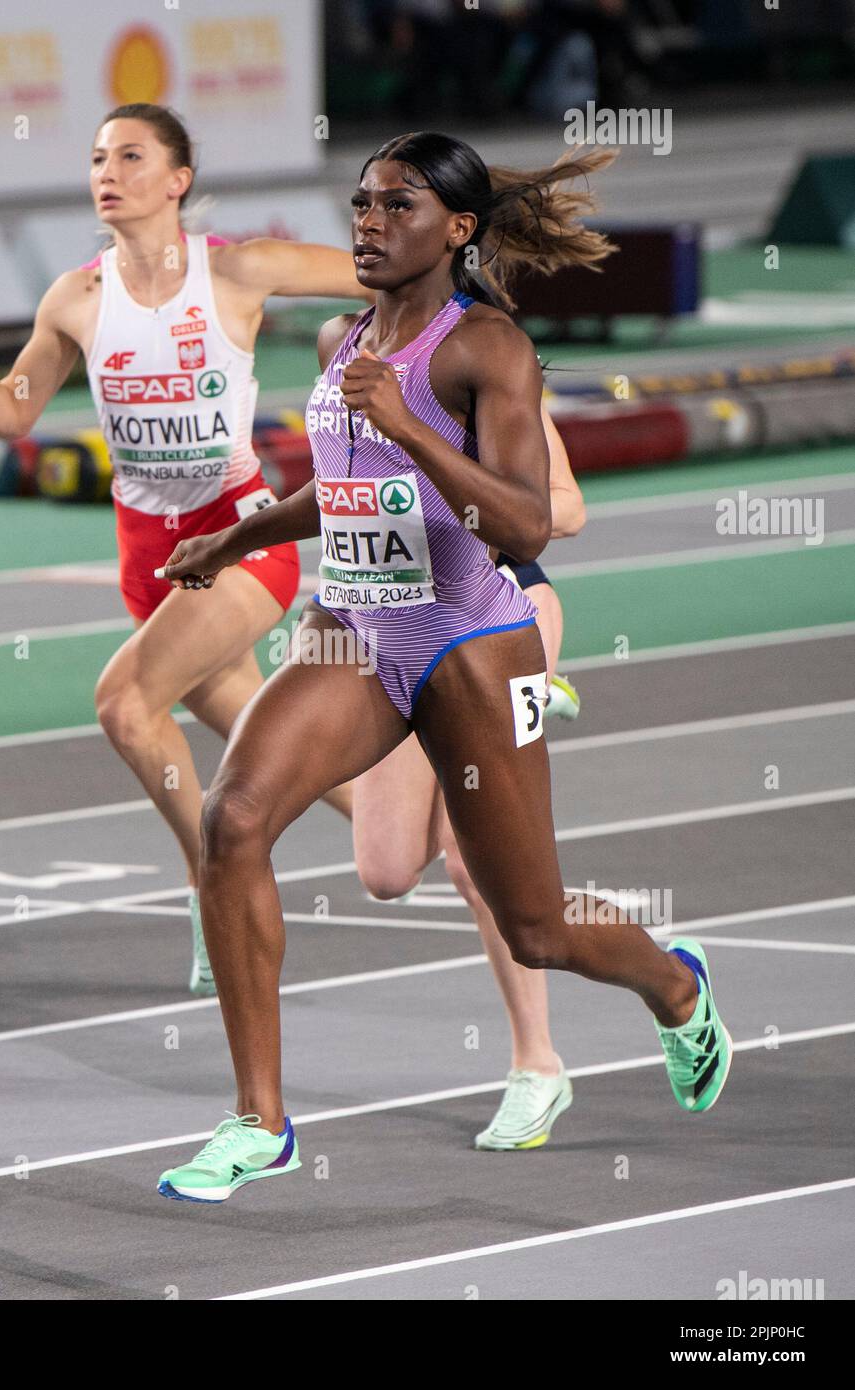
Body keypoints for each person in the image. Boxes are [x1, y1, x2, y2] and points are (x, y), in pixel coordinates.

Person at [154, 132, 732, 1203]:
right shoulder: (344, 340)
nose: (368, 224)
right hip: (360, 633)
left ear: (457, 229)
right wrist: (233, 540)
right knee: (231, 820)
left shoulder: (487, 350)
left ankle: (674, 983)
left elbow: (523, 520)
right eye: (363, 204)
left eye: (397, 206)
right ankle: (258, 1121)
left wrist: (409, 427)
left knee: (538, 924)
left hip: (469, 643)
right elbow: (341, 488)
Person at [0, 103, 372, 996]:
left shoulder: (243, 270)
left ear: (177, 181)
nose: (108, 171)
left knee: (126, 704)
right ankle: (425, 821)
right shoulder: (76, 297)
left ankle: (212, 881)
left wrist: (449, 352)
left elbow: (387, 275)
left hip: (239, 532)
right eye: (97, 157)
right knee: (270, 741)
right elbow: (18, 407)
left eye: (131, 156)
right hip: (148, 556)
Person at [353, 402, 585, 1151]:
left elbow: (567, 510)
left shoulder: (482, 368)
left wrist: (464, 506)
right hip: (395, 622)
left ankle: (536, 1066)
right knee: (386, 871)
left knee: (469, 860)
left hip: (493, 613)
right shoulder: (350, 370)